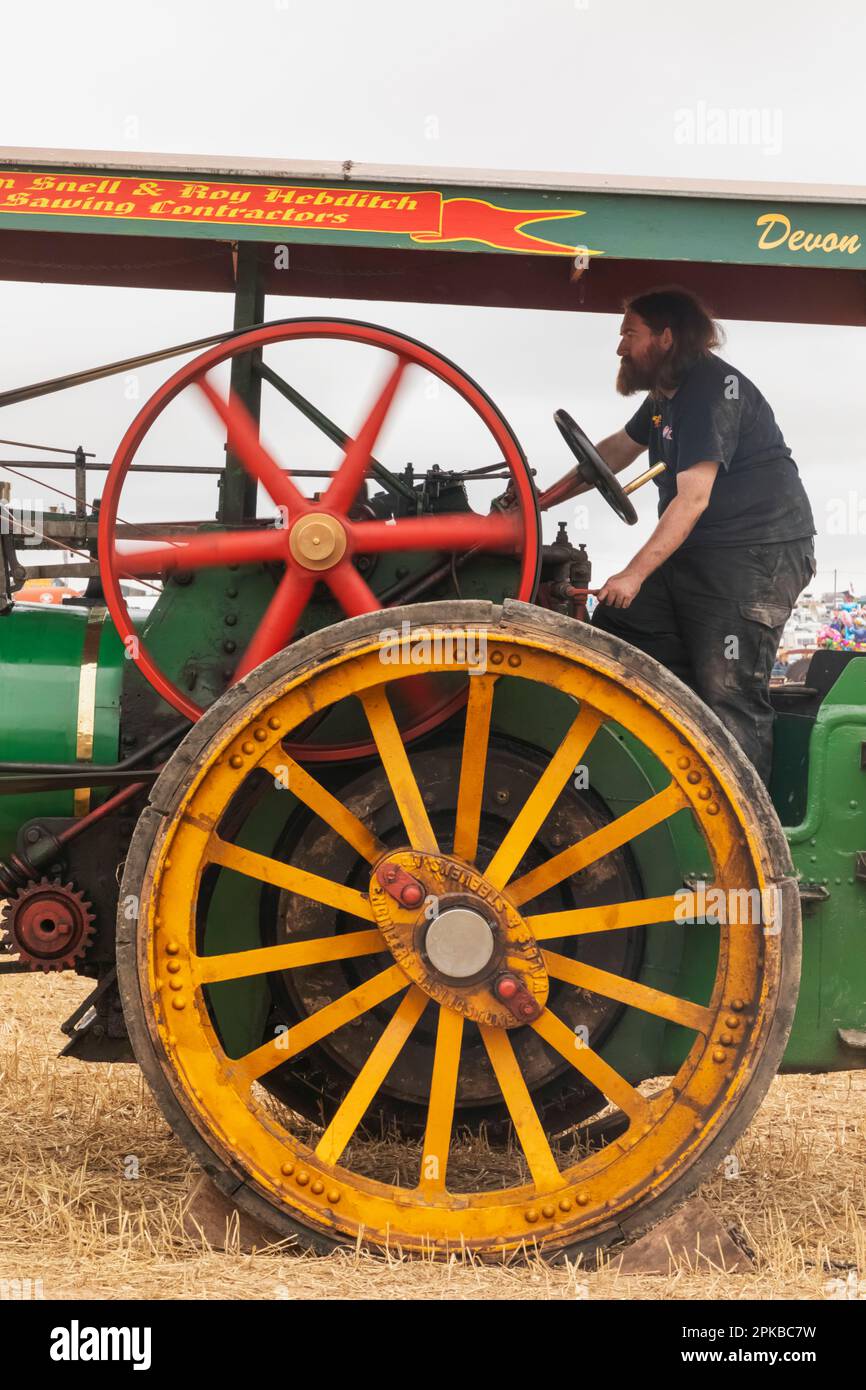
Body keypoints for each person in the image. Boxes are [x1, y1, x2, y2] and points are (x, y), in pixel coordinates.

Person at [558, 287, 815, 785]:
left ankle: (750, 840)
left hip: (755, 558)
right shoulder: (665, 395)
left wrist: (633, 573)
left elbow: (692, 499)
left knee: (728, 691)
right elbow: (613, 451)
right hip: (701, 551)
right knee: (618, 626)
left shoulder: (712, 391)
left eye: (629, 334)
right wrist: (535, 500)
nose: (619, 348)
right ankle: (656, 782)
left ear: (665, 337)